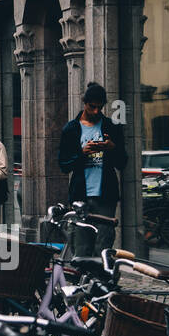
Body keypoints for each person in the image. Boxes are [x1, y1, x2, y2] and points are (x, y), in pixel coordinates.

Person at [58, 82, 128, 252]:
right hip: (80, 195)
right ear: (84, 103)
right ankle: (83, 278)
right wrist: (83, 154)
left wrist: (112, 148)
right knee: (81, 245)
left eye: (100, 107)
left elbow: (122, 163)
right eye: (92, 106)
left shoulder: (111, 127)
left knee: (103, 245)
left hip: (106, 195)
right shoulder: (71, 129)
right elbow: (64, 165)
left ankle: (101, 278)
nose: (96, 111)